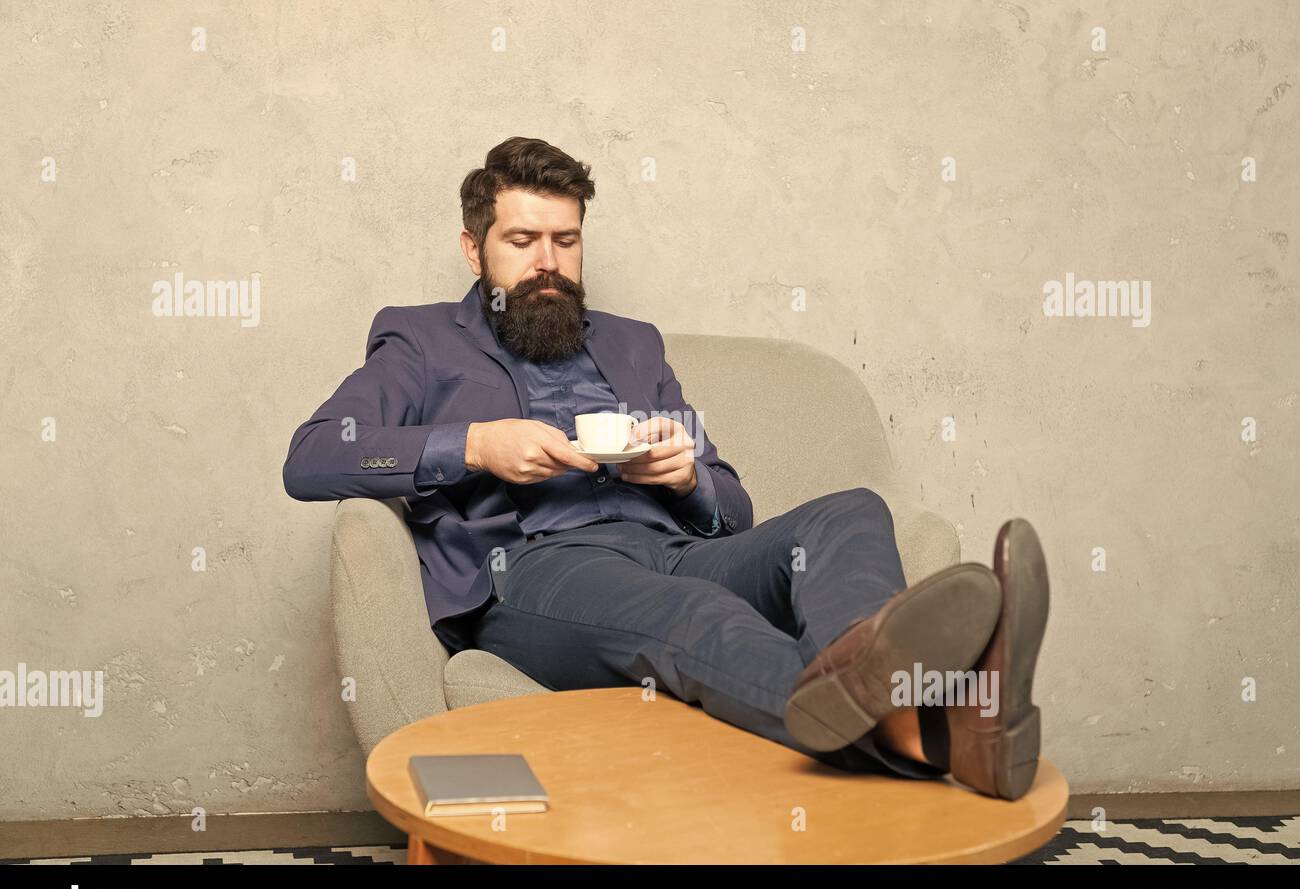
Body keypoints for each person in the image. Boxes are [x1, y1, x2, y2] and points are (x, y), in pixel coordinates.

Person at [282, 137, 1050, 800]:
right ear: (472, 247)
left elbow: (734, 507)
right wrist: (475, 445)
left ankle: (890, 690)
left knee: (850, 510)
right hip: (536, 571)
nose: (548, 263)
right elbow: (312, 454)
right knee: (700, 618)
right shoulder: (420, 342)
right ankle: (942, 726)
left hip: (676, 547)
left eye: (566, 239)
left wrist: (687, 479)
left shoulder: (633, 344)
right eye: (522, 241)